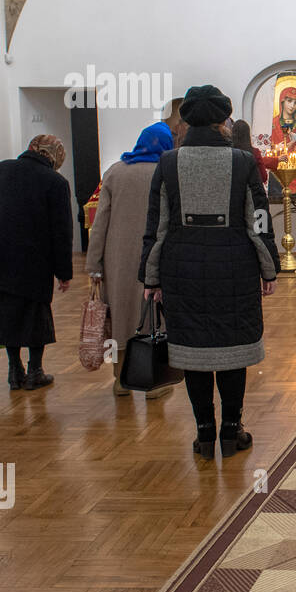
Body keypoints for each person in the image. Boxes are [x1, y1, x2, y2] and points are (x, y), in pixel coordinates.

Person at [140, 86, 279, 460]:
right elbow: (259, 221)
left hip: (180, 269)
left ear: (185, 121)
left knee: (194, 351)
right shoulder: (242, 161)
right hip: (234, 265)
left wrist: (151, 277)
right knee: (232, 351)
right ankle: (232, 431)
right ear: (223, 121)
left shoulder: (168, 162)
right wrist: (269, 268)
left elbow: (158, 226)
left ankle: (204, 433)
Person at [0, 134, 75, 390]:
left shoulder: (2, 169)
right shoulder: (55, 182)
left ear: (31, 148)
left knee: (7, 317)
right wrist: (63, 271)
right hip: (34, 265)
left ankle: (14, 368)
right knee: (34, 317)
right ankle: (35, 370)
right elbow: (61, 232)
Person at [86, 122, 175, 398]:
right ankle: (153, 380)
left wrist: (94, 264)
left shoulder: (115, 172)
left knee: (120, 315)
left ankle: (120, 379)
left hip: (118, 258)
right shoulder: (166, 171)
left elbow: (100, 223)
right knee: (153, 314)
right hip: (156, 254)